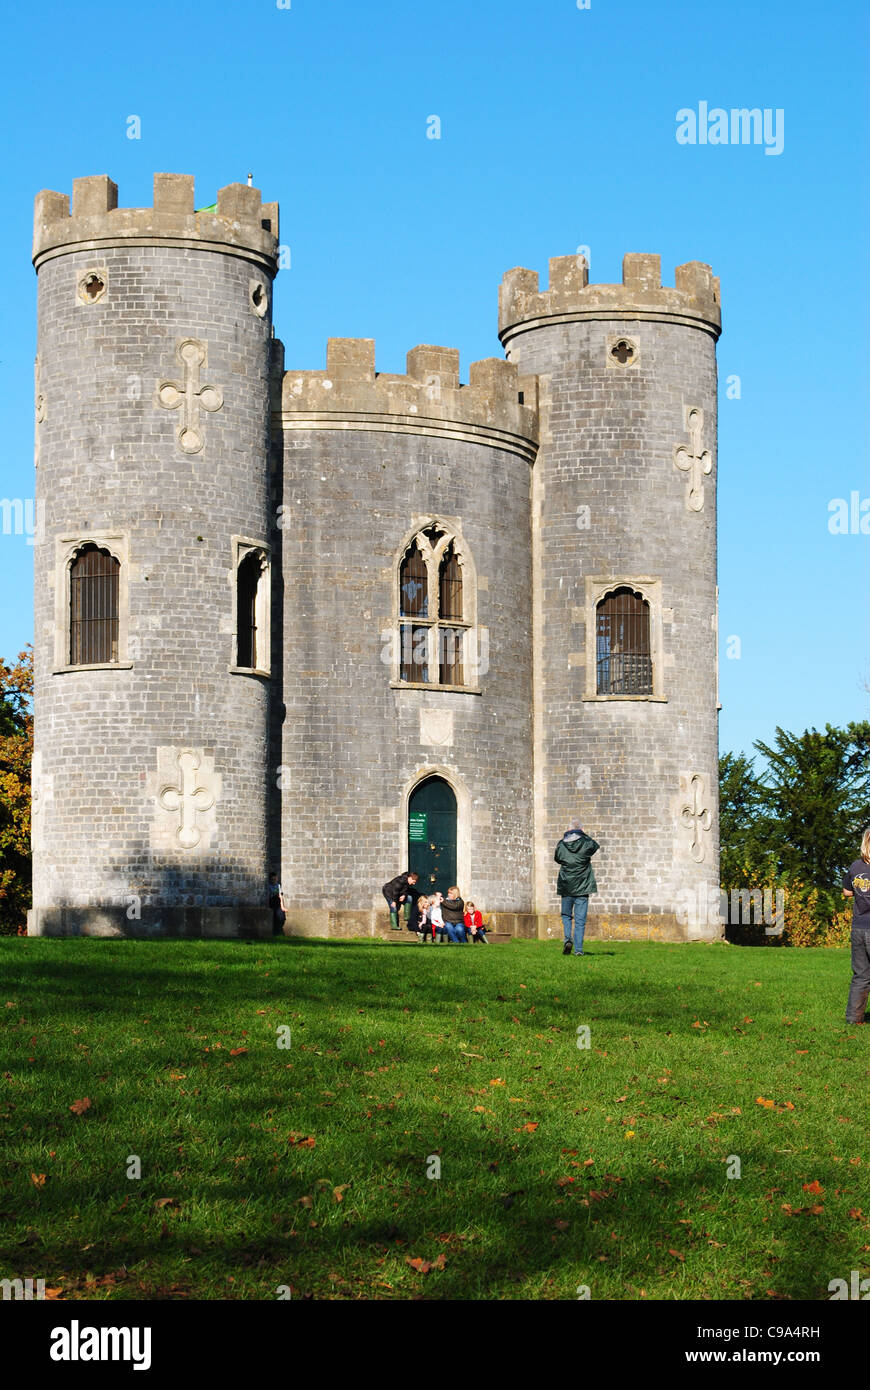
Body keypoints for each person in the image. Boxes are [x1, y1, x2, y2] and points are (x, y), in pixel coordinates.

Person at [555, 822, 600, 957]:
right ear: (581, 830)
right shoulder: (586, 843)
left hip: (566, 886)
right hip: (582, 887)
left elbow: (557, 859)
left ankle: (568, 939)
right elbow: (595, 845)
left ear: (569, 830)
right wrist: (582, 834)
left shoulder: (561, 844)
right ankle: (578, 950)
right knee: (580, 920)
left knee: (566, 916)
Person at [842, 828, 870, 1025]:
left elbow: (846, 892)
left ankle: (854, 1019)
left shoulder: (855, 866)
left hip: (859, 928)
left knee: (860, 976)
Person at [268, 870, 286, 936]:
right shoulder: (268, 886)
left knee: (281, 916)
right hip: (271, 902)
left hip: (277, 902)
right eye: (272, 879)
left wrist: (282, 906)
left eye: (275, 879)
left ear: (277, 879)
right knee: (274, 916)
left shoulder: (278, 886)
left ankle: (279, 930)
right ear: (270, 879)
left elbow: (280, 896)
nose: (273, 881)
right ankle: (275, 931)